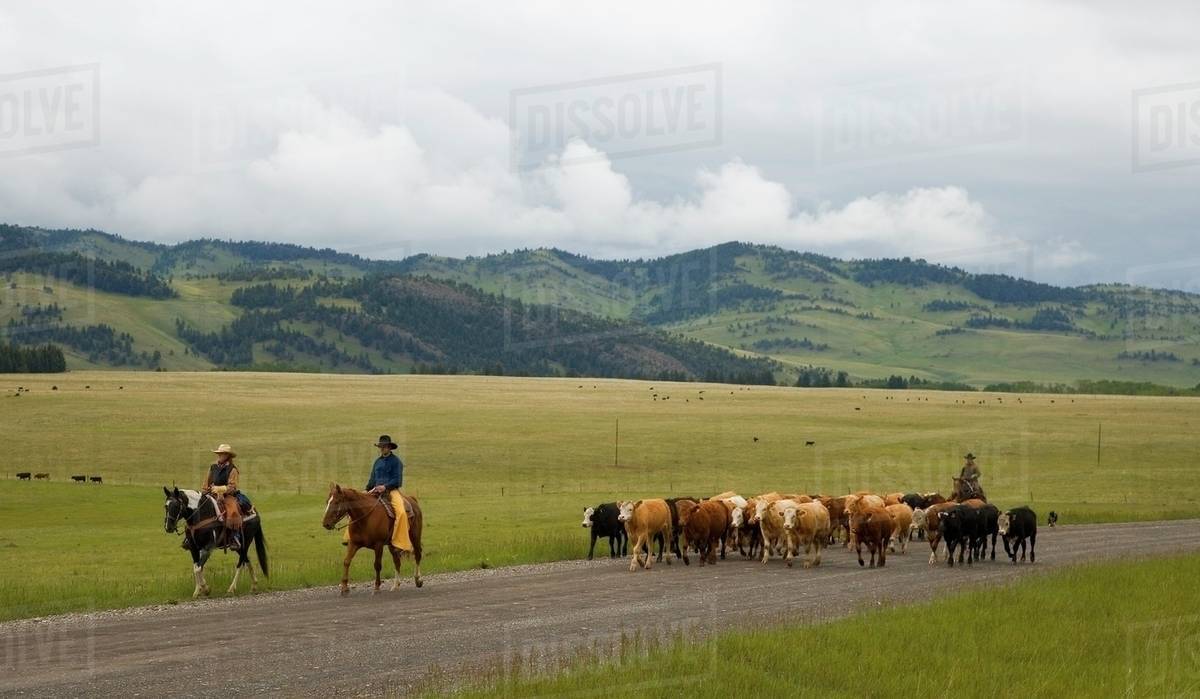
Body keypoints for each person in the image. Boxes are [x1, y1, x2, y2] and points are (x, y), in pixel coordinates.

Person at [344, 435, 412, 551]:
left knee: (401, 513)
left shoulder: (396, 462)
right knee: (356, 506)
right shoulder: (377, 462)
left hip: (391, 491)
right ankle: (350, 537)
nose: (382, 448)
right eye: (381, 446)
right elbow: (372, 478)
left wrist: (385, 487)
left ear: (390, 447)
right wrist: (366, 489)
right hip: (375, 490)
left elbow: (397, 480)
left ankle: (400, 543)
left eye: (384, 446)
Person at [202, 444, 250, 549]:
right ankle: (192, 535)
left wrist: (219, 489)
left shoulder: (232, 469)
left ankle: (234, 537)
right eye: (219, 454)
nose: (220, 456)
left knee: (233, 511)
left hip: (228, 496)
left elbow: (232, 487)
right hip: (212, 494)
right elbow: (207, 482)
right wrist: (204, 492)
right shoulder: (212, 467)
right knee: (199, 507)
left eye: (222, 454)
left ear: (228, 455)